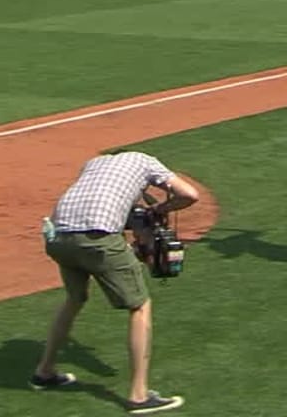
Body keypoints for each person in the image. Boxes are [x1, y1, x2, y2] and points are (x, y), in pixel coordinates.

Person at [32, 151, 198, 414]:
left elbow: (108, 207)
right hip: (97, 237)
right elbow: (189, 195)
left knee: (75, 298)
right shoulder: (146, 162)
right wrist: (161, 208)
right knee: (140, 306)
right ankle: (139, 396)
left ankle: (44, 371)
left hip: (58, 236)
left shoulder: (94, 164)